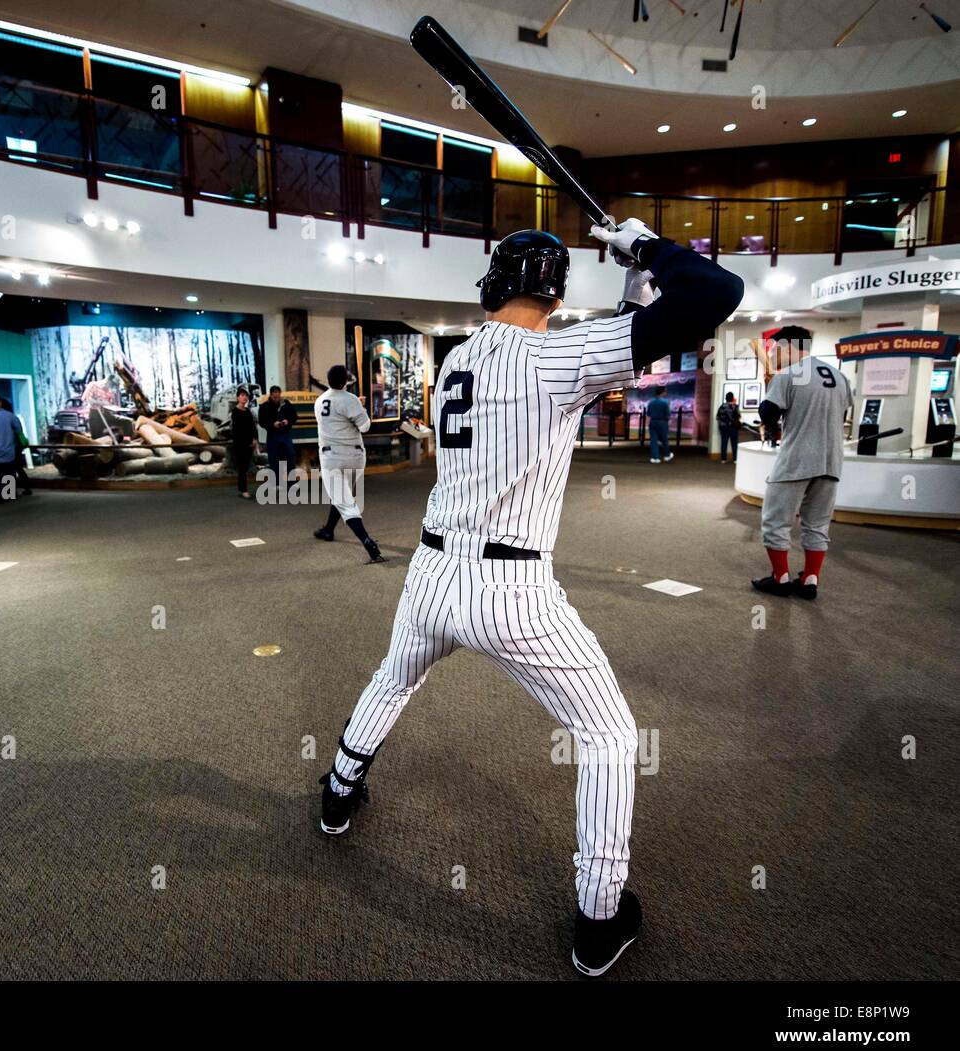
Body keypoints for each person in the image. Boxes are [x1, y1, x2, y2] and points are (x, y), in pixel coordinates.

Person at [316, 219, 742, 977]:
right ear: (553, 289)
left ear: (495, 282)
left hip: (431, 571)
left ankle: (339, 792)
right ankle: (598, 919)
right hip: (512, 591)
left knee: (395, 676)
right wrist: (642, 247)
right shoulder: (559, 355)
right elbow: (715, 292)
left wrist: (629, 301)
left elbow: (592, 358)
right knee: (611, 737)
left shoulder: (457, 357)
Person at [751, 325, 853, 601]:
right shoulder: (839, 376)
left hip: (796, 460)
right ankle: (810, 579)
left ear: (787, 346)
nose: (772, 354)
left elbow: (769, 416)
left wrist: (770, 389)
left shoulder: (788, 376)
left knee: (775, 521)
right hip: (831, 462)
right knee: (817, 524)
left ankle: (780, 578)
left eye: (775, 348)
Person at [312, 364, 385, 563]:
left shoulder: (320, 401)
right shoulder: (351, 400)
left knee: (344, 501)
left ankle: (367, 542)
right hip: (355, 457)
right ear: (346, 380)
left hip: (332, 457)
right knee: (343, 494)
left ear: (328, 380)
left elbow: (337, 416)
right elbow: (365, 426)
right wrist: (360, 407)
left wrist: (356, 406)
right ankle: (328, 530)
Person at [258, 385, 297, 483]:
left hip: (285, 434)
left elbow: (294, 416)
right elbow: (262, 422)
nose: (276, 398)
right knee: (274, 459)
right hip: (272, 435)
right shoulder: (264, 407)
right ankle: (277, 482)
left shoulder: (286, 404)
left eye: (278, 396)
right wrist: (272, 424)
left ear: (280, 394)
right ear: (270, 395)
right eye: (274, 397)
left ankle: (292, 481)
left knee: (290, 456)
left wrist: (288, 421)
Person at [228, 387, 259, 499]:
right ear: (237, 397)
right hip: (240, 443)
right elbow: (238, 430)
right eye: (242, 395)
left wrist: (254, 439)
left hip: (250, 442)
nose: (245, 397)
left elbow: (252, 426)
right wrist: (247, 442)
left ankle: (243, 488)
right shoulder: (235, 412)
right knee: (242, 467)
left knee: (245, 467)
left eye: (246, 395)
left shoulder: (248, 411)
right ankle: (243, 490)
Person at [0, 397, 33, 496]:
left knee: (9, 469)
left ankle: (10, 491)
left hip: (9, 447)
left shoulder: (4, 419)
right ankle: (25, 488)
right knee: (18, 468)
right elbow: (19, 431)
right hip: (17, 446)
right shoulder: (13, 417)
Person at [646, 385, 672, 463]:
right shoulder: (665, 402)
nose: (666, 393)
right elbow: (667, 414)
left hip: (653, 422)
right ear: (662, 392)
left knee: (653, 440)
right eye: (665, 391)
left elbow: (648, 414)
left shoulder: (651, 402)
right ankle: (667, 455)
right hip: (662, 422)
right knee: (664, 439)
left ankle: (655, 457)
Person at [716, 390, 741, 463]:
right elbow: (738, 416)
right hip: (733, 427)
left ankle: (723, 459)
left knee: (724, 442)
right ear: (732, 398)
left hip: (723, 427)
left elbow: (717, 417)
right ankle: (735, 459)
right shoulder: (735, 406)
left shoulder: (722, 406)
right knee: (734, 443)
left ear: (726, 398)